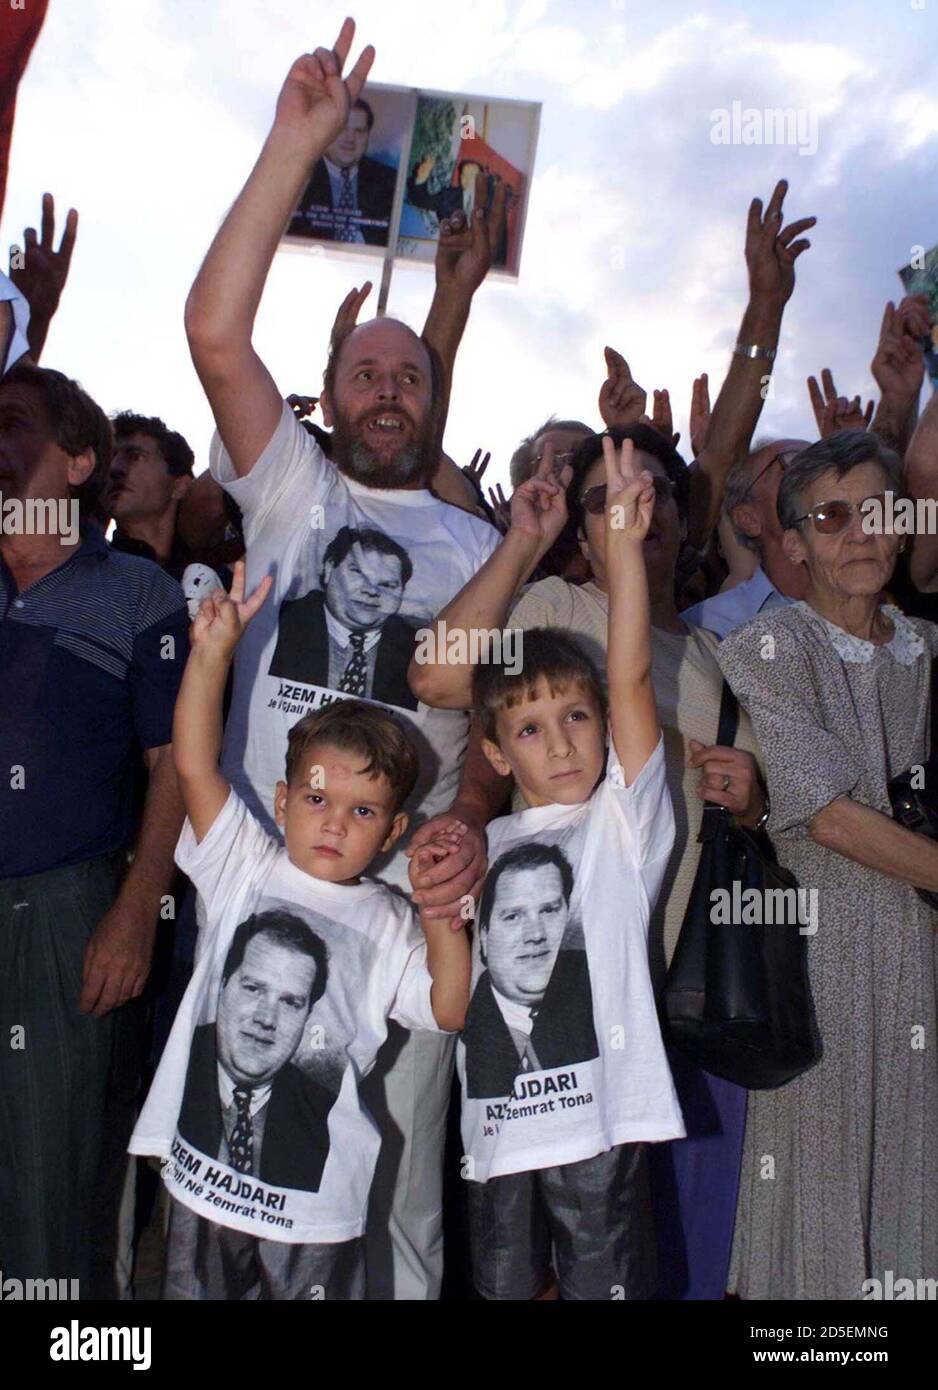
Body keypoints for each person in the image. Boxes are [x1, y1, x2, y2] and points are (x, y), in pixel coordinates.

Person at [182, 19, 508, 1299]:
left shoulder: (479, 541)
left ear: (433, 407)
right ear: (325, 394)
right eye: (364, 371)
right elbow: (216, 332)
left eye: (410, 379)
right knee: (230, 1193)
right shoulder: (291, 495)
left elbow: (477, 725)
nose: (387, 389)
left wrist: (470, 817)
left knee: (401, 1196)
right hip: (258, 889)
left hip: (403, 917)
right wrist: (294, 144)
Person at [130, 562, 470, 1300]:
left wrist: (443, 908)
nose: (332, 821)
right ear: (282, 801)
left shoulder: (389, 921)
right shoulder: (243, 866)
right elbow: (192, 763)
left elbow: (450, 1007)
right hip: (203, 1192)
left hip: (315, 1216)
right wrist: (212, 655)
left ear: (393, 831)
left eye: (362, 810)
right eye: (316, 797)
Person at [410, 437, 685, 1301]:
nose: (561, 740)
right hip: (496, 1135)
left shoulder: (621, 825)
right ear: (490, 748)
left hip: (600, 1132)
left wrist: (624, 547)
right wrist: (433, 911)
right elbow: (452, 1006)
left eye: (576, 715)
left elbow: (634, 676)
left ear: (603, 724)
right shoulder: (479, 852)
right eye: (529, 728)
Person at [716, 429, 938, 1300]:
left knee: (911, 1174)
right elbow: (831, 819)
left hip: (920, 958)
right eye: (830, 516)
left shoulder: (928, 647)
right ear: (794, 542)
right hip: (820, 955)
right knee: (820, 1187)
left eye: (876, 511)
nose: (859, 534)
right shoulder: (772, 651)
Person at [0, 363, 188, 1291]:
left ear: (80, 463)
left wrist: (133, 908)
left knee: (47, 1184)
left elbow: (172, 765)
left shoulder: (138, 595)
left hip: (64, 912)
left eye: (15, 426)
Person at [177, 910, 334, 1192]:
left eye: (289, 1003)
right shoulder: (177, 1067)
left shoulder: (322, 1113)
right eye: (253, 989)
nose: (266, 1018)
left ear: (307, 1015)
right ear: (223, 984)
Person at [462, 842, 598, 1099]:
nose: (535, 934)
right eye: (513, 916)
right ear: (484, 936)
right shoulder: (466, 1016)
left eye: (549, 911)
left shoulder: (597, 998)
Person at [269, 524, 422, 709]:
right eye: (359, 574)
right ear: (328, 569)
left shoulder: (417, 651)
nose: (371, 591)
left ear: (402, 592)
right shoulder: (279, 624)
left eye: (388, 585)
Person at [681, 438, 810, 637]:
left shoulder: (869, 594)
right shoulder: (708, 627)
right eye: (792, 462)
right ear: (749, 520)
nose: (818, 477)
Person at [289, 97, 396, 246]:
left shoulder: (390, 181)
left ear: (368, 135)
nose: (350, 139)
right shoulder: (296, 174)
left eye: (359, 131)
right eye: (342, 128)